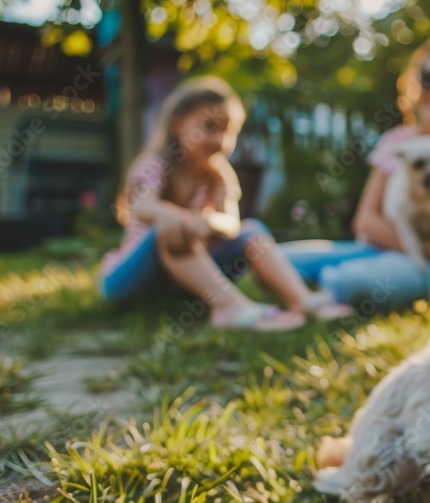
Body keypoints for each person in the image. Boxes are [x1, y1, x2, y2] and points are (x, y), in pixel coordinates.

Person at [99, 77, 349, 331]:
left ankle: (302, 300)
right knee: (170, 229)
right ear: (177, 125)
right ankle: (230, 308)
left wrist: (208, 222)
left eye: (228, 131)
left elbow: (232, 223)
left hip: (185, 282)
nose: (219, 139)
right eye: (209, 127)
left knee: (252, 230)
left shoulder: (219, 176)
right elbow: (142, 207)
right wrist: (180, 219)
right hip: (130, 280)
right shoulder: (155, 165)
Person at [280, 30, 430, 308]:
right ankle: (323, 288)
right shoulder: (397, 142)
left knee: (353, 281)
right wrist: (422, 247)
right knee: (278, 259)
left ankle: (327, 289)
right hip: (375, 250)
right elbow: (365, 221)